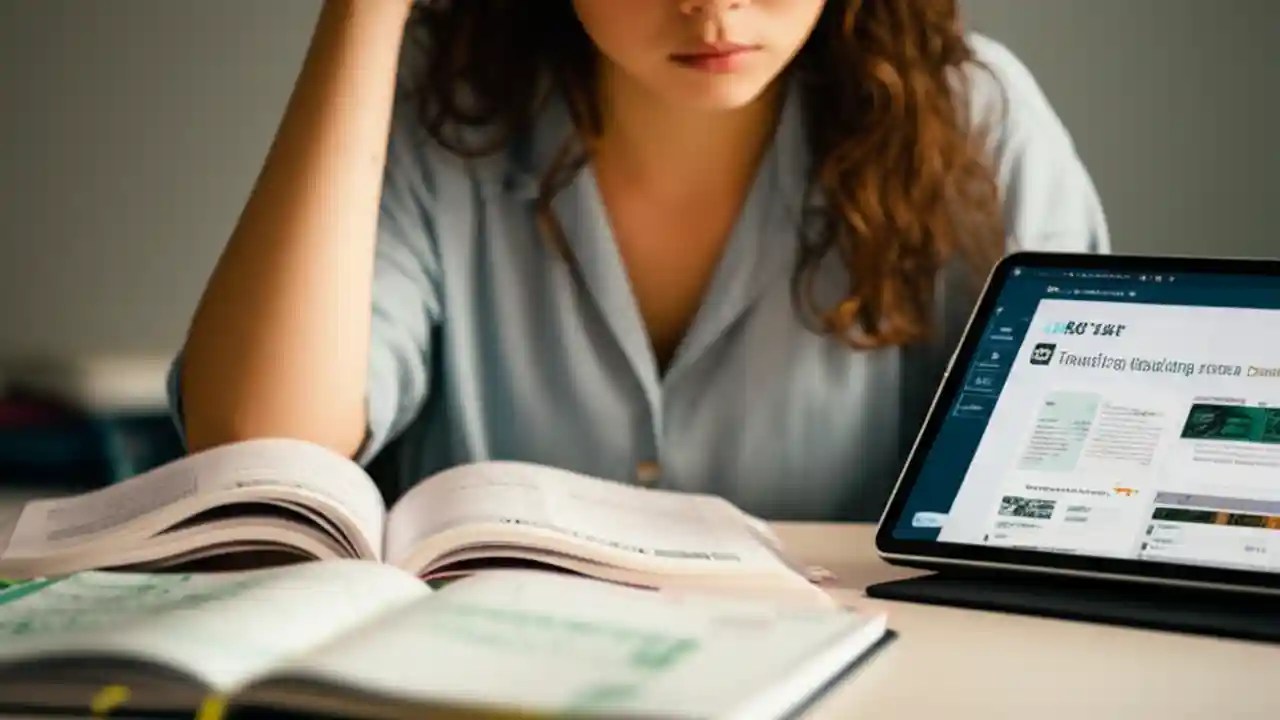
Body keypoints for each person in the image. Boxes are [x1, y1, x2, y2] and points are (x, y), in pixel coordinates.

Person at [167, 0, 1109, 522]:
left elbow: (1077, 496)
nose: (714, 6)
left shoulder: (971, 122)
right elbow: (258, 445)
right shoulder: (436, 103)